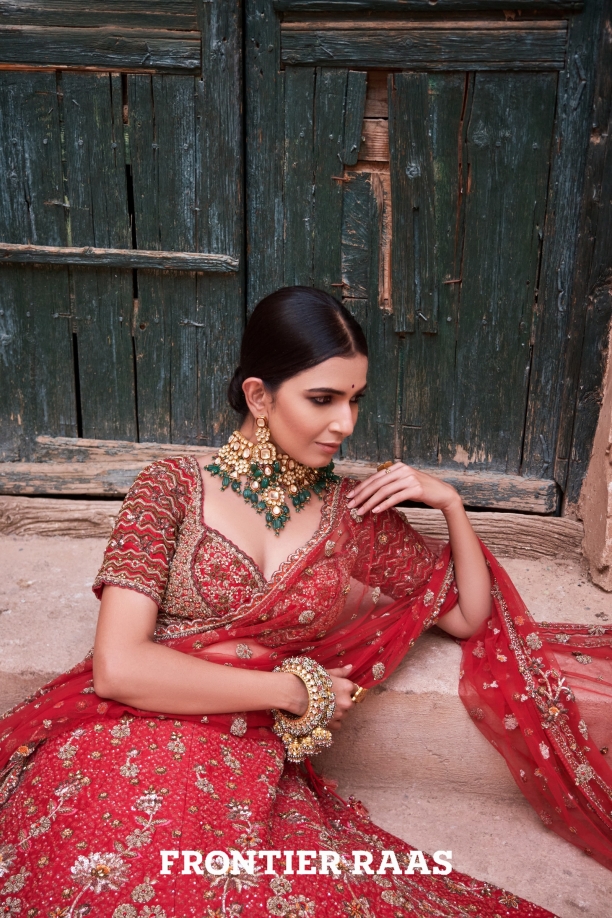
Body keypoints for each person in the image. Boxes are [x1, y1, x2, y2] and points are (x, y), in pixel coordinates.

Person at [0, 287, 610, 918]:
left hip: (243, 757)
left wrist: (451, 503)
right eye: (323, 399)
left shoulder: (353, 516)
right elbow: (120, 668)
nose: (345, 423)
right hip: (124, 736)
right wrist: (294, 693)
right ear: (259, 396)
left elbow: (465, 615)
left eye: (354, 399)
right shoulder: (170, 489)